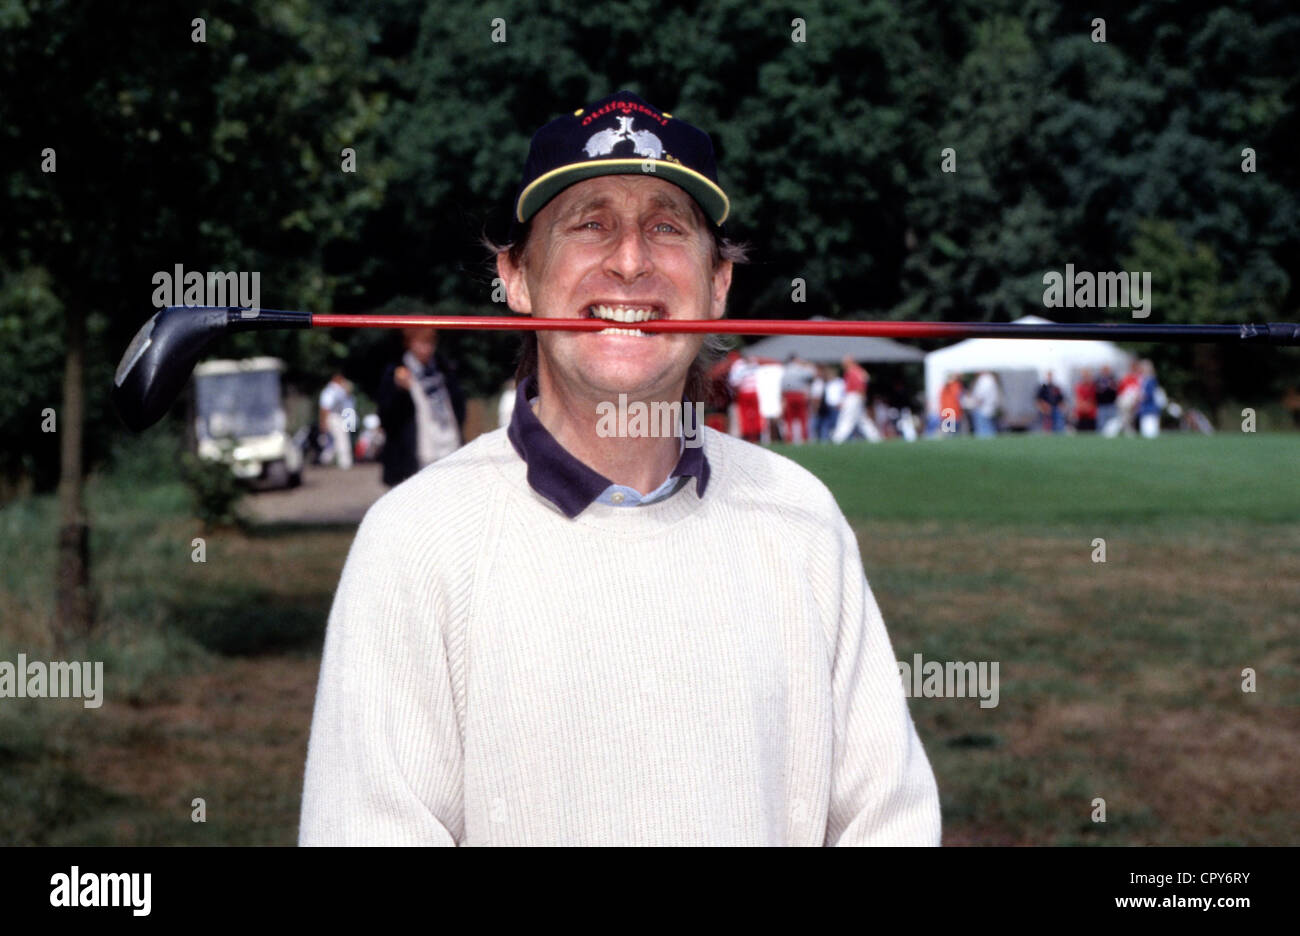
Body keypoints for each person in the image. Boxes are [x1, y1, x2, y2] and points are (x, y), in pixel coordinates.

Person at [299, 90, 940, 846]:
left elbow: (888, 823)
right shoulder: (413, 541)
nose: (631, 261)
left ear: (718, 284)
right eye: (590, 223)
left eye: (667, 227)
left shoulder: (799, 516)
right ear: (517, 277)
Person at [375, 326, 466, 487]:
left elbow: (458, 404)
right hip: (416, 452)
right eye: (421, 343)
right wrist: (397, 390)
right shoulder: (397, 372)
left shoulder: (443, 368)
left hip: (448, 443)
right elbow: (385, 415)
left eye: (430, 343)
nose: (427, 348)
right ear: (409, 343)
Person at [831, 356, 881, 443]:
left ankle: (838, 438)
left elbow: (860, 386)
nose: (842, 365)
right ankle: (875, 437)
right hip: (855, 396)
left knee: (846, 417)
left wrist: (861, 398)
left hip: (854, 396)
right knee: (862, 419)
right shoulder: (856, 371)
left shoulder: (854, 371)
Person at [318, 373, 355, 469]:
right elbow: (325, 407)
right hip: (333, 417)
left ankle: (324, 460)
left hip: (340, 416)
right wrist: (323, 422)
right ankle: (345, 463)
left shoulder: (338, 390)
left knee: (334, 441)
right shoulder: (331, 391)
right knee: (341, 439)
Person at [780, 354, 815, 444]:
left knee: (789, 419)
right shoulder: (800, 368)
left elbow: (782, 385)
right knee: (803, 418)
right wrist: (805, 364)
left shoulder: (785, 370)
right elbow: (811, 375)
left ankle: (789, 439)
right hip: (799, 395)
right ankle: (804, 438)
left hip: (788, 396)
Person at [964, 370, 1001, 438]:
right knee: (986, 429)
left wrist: (971, 403)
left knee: (984, 431)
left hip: (983, 409)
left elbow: (981, 396)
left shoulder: (985, 379)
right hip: (986, 408)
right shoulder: (988, 379)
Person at [1136, 359, 1165, 438]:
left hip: (1150, 408)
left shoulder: (1151, 380)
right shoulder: (1144, 380)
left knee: (1150, 432)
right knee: (1145, 432)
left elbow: (1149, 394)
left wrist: (1140, 398)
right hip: (1145, 408)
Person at [818, 365, 844, 441]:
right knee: (826, 424)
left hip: (837, 407)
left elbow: (843, 394)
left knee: (838, 424)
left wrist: (841, 403)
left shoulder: (840, 382)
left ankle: (838, 439)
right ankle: (824, 440)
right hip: (828, 407)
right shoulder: (827, 383)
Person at [1094, 365, 1118, 434]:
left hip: (1111, 404)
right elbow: (1097, 391)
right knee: (1101, 424)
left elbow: (1115, 390)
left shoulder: (1112, 379)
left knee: (1112, 423)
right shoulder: (1098, 380)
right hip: (1102, 405)